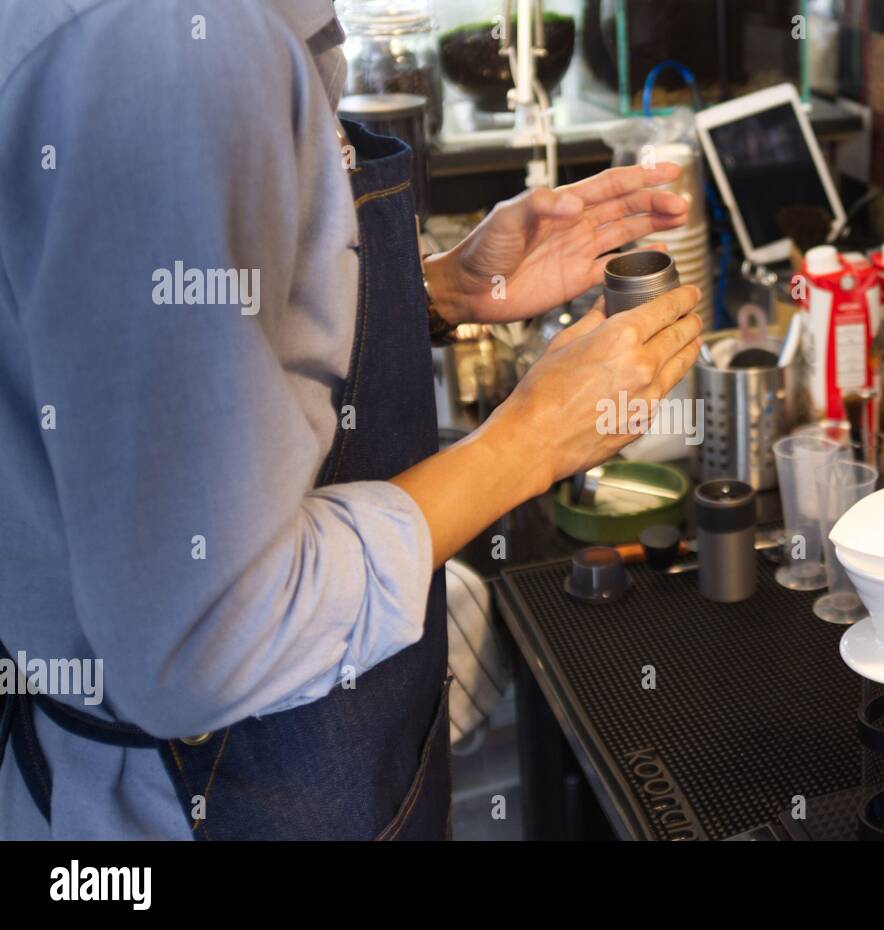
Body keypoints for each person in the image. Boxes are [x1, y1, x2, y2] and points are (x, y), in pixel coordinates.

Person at [0, 0, 701, 839]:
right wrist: (534, 439)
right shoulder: (173, 44)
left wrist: (438, 290)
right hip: (204, 796)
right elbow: (208, 631)